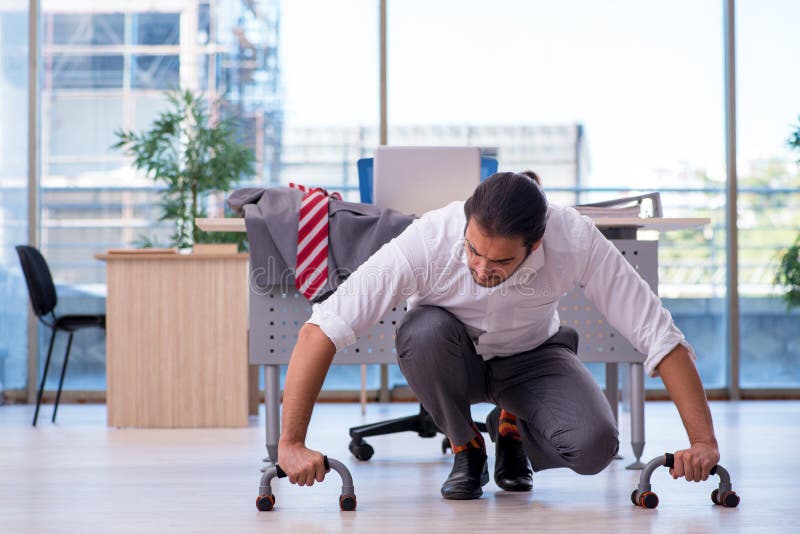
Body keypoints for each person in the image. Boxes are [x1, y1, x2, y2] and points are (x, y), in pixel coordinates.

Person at [277, 171, 720, 500]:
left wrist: (703, 442)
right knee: (422, 329)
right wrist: (291, 443)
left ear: (537, 242)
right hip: (448, 355)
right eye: (473, 250)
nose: (481, 268)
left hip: (531, 356)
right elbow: (322, 329)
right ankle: (465, 444)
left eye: (500, 262)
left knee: (595, 448)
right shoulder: (428, 239)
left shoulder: (575, 239)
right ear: (466, 224)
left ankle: (510, 426)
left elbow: (659, 334)